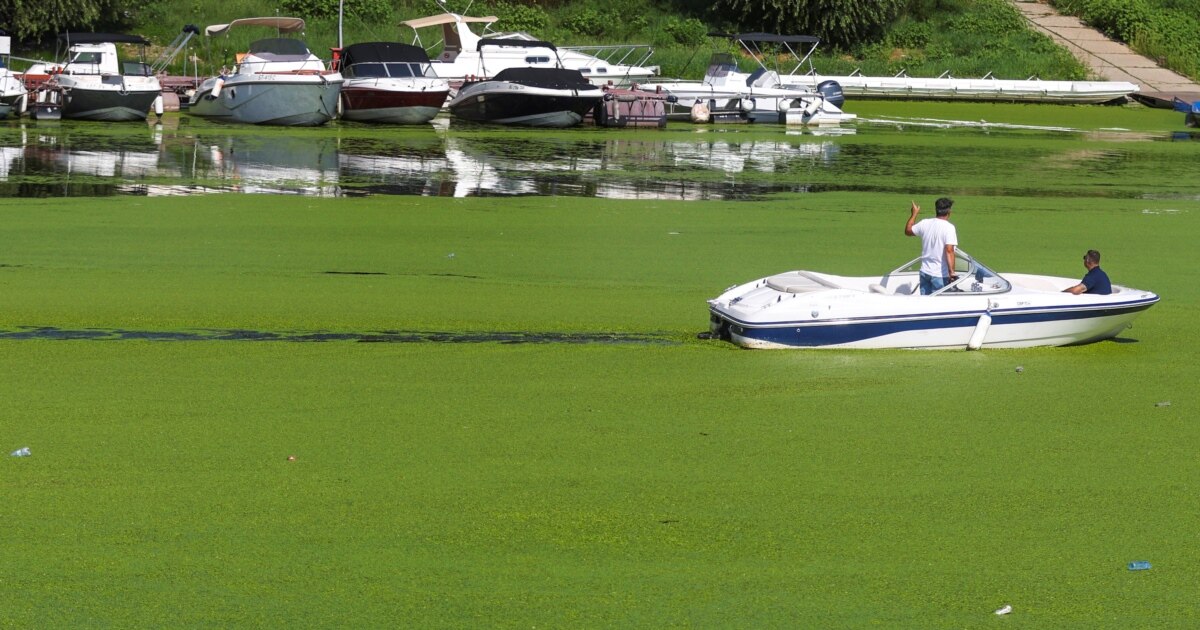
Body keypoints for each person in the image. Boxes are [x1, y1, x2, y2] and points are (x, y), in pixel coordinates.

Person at [904, 197, 958, 295]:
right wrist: (952, 273)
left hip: (925, 272)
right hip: (940, 275)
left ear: (936, 209)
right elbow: (949, 250)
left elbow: (908, 231)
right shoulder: (949, 228)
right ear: (949, 211)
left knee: (925, 304)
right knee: (939, 306)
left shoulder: (925, 223)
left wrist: (914, 213)